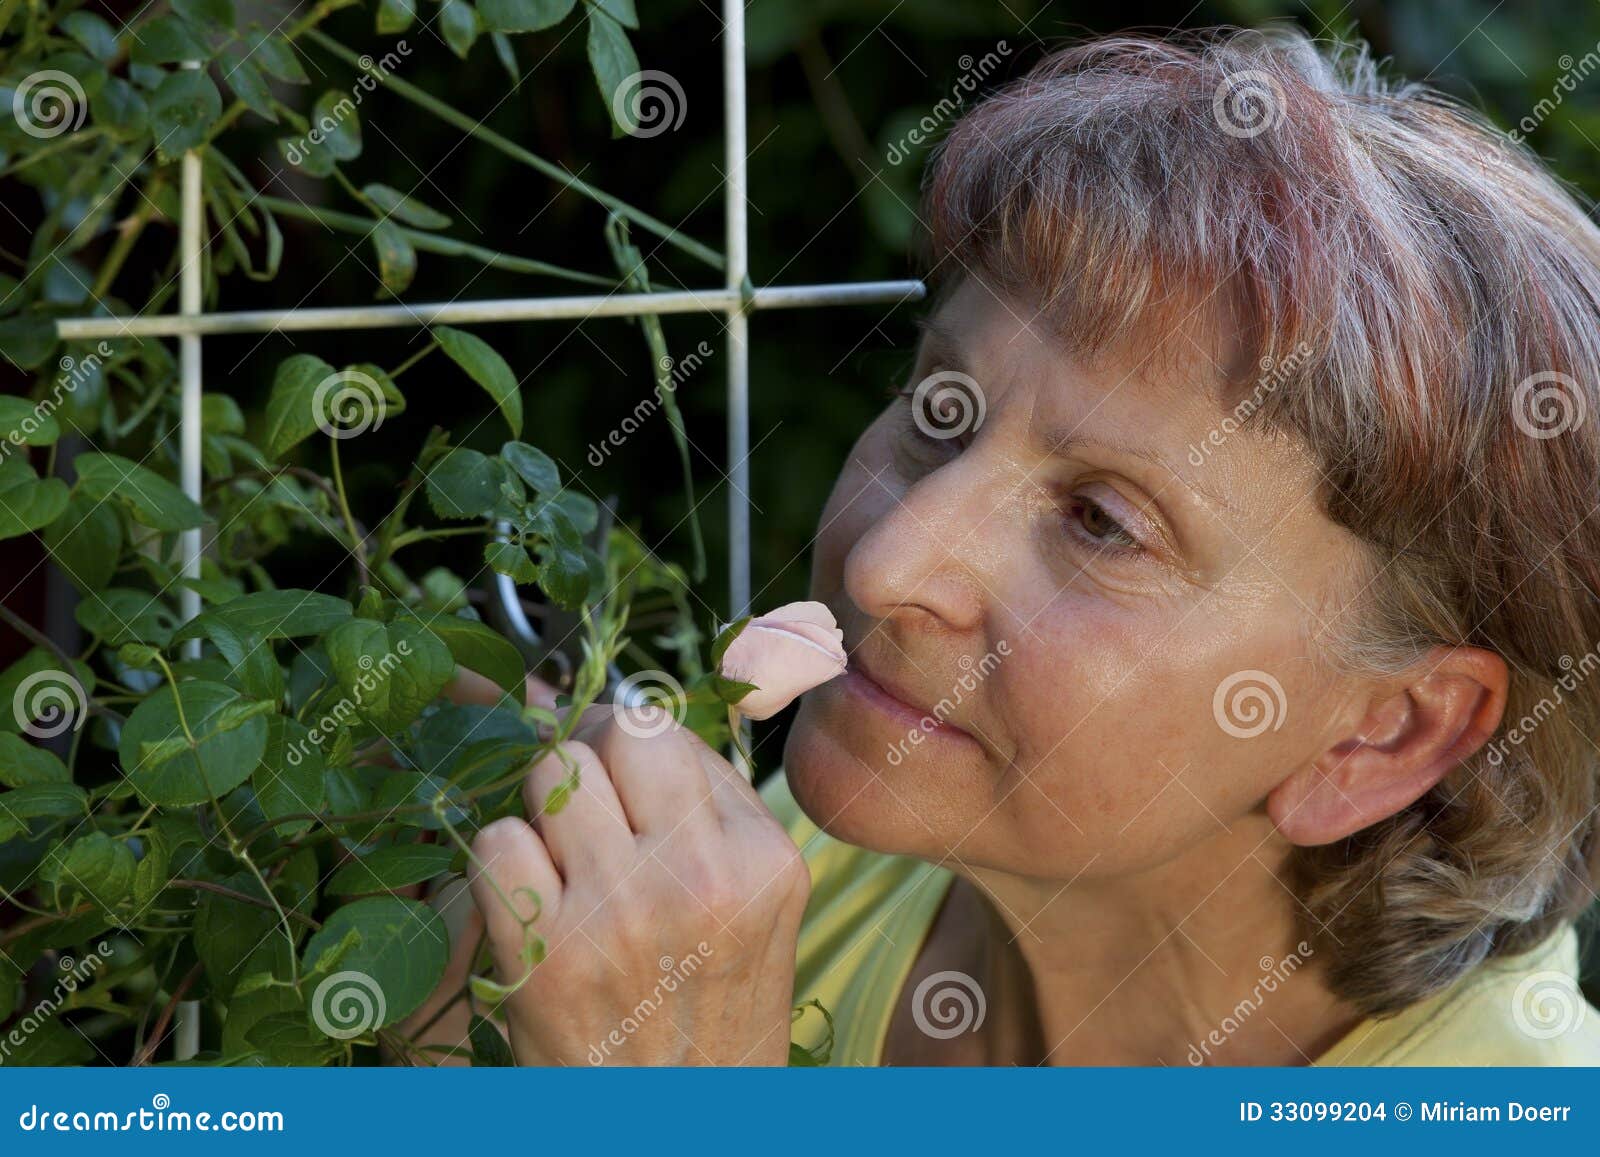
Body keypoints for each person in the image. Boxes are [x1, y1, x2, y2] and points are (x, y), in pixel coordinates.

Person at [408, 26, 1600, 1065]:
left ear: (1389, 730)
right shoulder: (828, 870)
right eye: (940, 414)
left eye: (1100, 521)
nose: (885, 565)